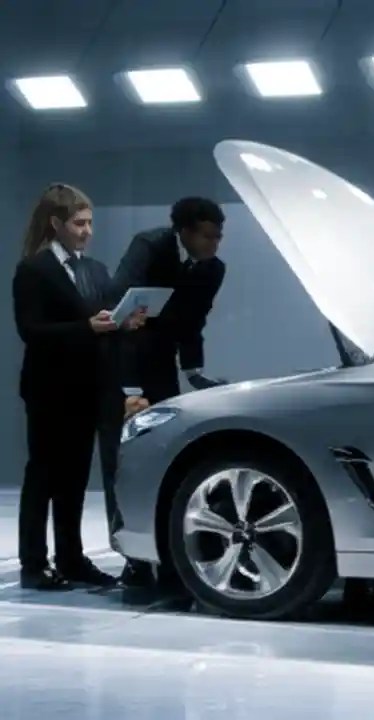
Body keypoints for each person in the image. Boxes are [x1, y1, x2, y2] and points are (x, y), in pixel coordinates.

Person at [12, 183, 144, 591]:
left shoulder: (95, 270)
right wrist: (86, 327)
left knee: (72, 481)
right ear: (56, 224)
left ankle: (71, 557)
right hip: (50, 391)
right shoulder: (35, 269)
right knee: (43, 479)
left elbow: (99, 327)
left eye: (90, 223)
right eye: (79, 223)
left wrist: (121, 324)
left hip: (89, 389)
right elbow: (31, 331)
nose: (87, 231)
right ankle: (34, 564)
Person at [108, 196, 227, 587]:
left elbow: (195, 322)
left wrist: (195, 371)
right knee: (125, 458)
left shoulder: (213, 269)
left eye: (219, 237)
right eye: (208, 236)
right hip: (125, 359)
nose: (215, 244)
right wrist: (129, 384)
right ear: (186, 232)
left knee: (163, 455)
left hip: (161, 366)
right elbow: (118, 301)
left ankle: (167, 552)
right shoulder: (151, 245)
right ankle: (133, 558)